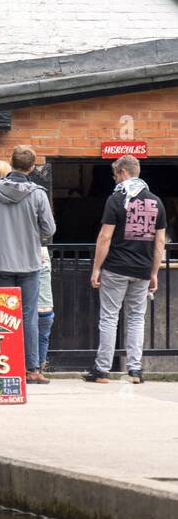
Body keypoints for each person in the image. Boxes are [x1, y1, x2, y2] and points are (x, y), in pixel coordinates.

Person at [0, 146, 56, 385]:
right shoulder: (38, 194)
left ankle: (6, 366)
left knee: (2, 315)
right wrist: (34, 237)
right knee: (28, 316)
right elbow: (49, 229)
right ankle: (32, 369)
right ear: (32, 168)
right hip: (29, 263)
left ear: (11, 164)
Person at [87, 154, 166, 385]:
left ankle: (102, 371)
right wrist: (154, 272)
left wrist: (96, 269)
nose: (115, 180)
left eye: (115, 175)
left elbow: (105, 237)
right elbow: (159, 242)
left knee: (110, 318)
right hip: (142, 269)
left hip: (116, 268)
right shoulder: (156, 202)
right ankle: (135, 370)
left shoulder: (116, 199)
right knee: (136, 319)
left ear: (122, 172)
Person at [36, 247, 54, 376]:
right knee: (43, 338)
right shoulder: (46, 268)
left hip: (33, 310)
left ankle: (31, 366)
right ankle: (40, 366)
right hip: (46, 309)